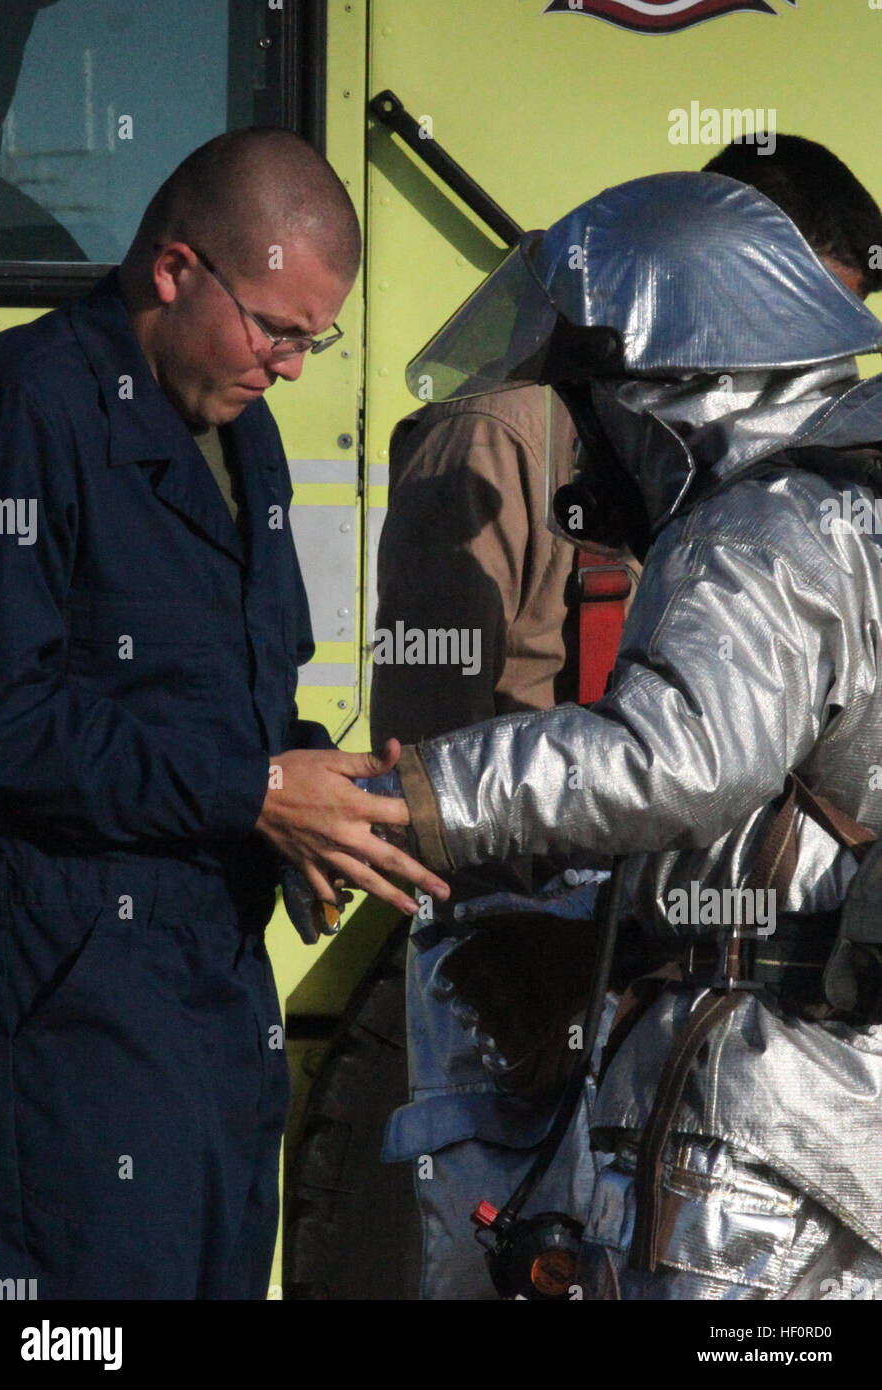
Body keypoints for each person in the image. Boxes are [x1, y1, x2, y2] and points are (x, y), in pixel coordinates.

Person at [371, 137, 882, 1300]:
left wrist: (416, 798)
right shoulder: (844, 500)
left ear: (665, 393)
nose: (578, 428)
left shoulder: (760, 531)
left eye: (588, 394)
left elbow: (679, 761)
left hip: (759, 1142)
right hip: (828, 1109)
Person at [0, 126, 446, 1301]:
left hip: (215, 999)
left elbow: (238, 698)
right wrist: (253, 793)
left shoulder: (248, 435)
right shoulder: (22, 407)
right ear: (176, 268)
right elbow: (4, 720)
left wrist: (321, 805)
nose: (290, 366)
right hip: (67, 1004)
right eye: (275, 328)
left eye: (312, 337)